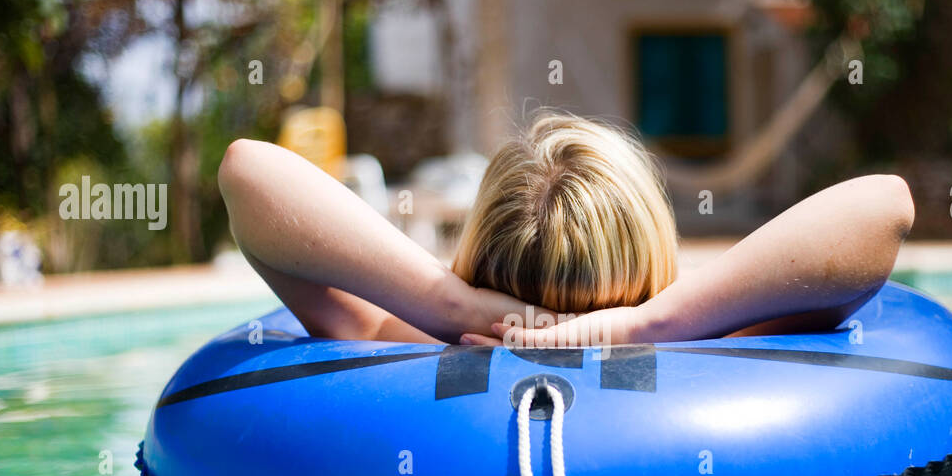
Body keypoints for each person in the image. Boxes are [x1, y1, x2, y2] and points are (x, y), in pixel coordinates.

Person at [218, 110, 914, 348]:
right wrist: (652, 328)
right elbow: (886, 204)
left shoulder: (395, 336)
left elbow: (247, 173)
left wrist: (444, 305)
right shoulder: (723, 337)